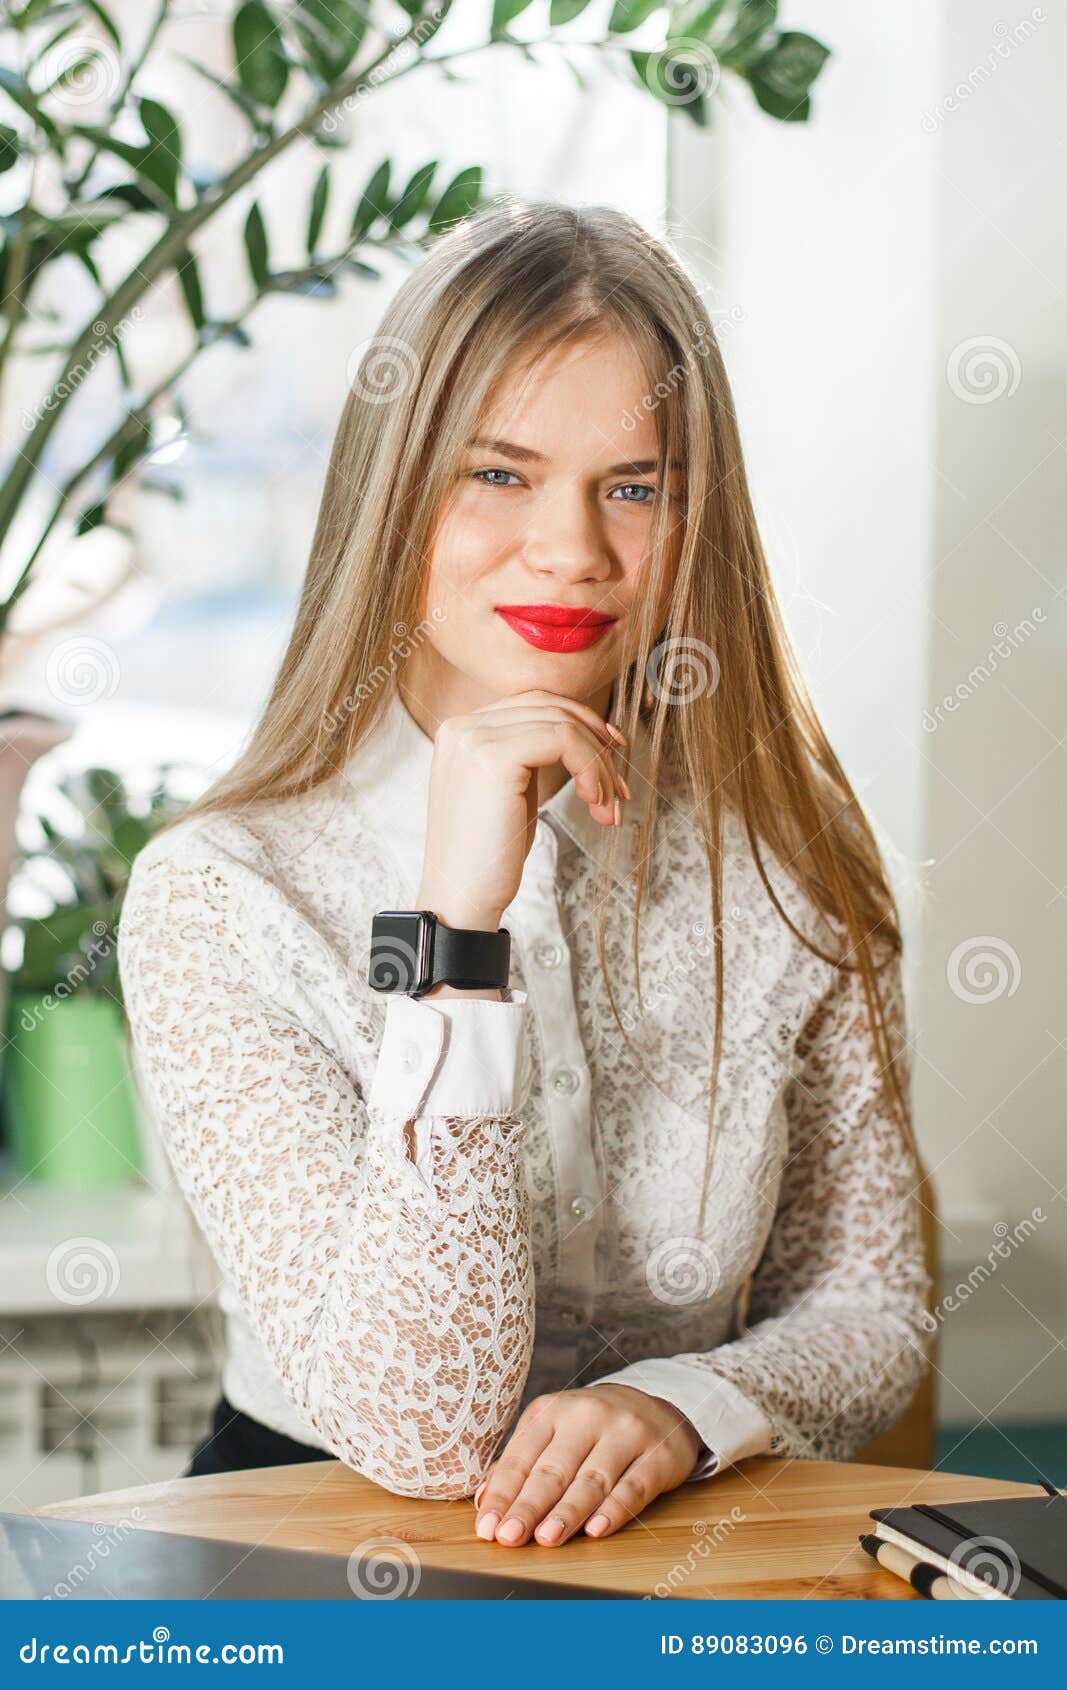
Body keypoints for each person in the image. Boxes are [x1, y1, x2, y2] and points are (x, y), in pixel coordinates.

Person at [118, 201, 931, 1551]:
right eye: (498, 473)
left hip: (689, 1551)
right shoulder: (219, 893)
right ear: (397, 489)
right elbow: (425, 1427)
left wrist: (687, 1402)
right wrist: (456, 934)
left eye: (635, 485)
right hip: (319, 1559)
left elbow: (874, 1301)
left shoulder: (791, 855)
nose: (573, 550)